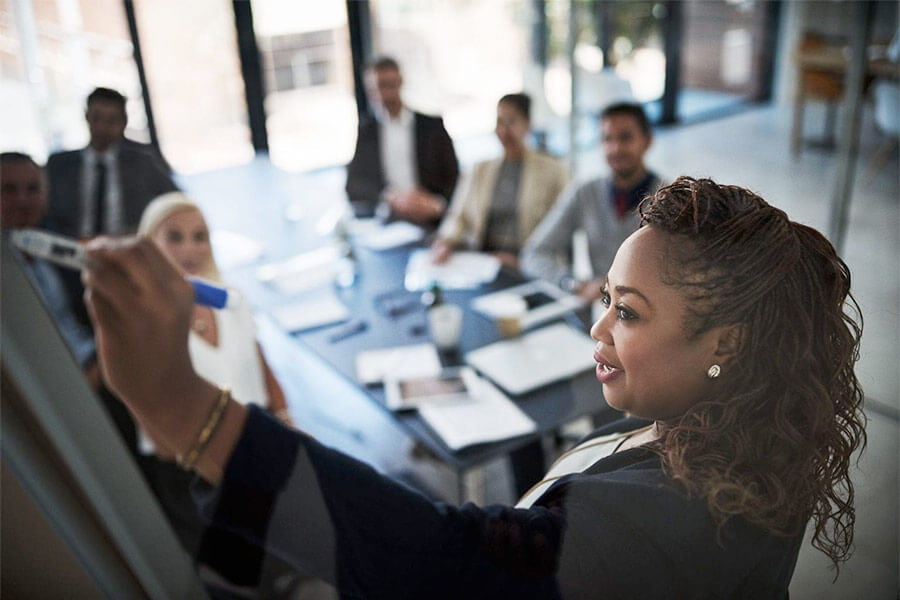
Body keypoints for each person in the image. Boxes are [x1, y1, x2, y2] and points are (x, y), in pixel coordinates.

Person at [83, 177, 865, 597]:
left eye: (627, 312)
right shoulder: (739, 434)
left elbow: (447, 567)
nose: (598, 331)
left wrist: (185, 408)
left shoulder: (684, 522)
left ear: (724, 342)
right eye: (603, 301)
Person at [1, 151, 137, 451]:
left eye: (32, 189)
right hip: (48, 394)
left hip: (99, 369)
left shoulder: (61, 243)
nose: (23, 200)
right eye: (8, 190)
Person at [521, 102, 663, 302]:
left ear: (647, 141)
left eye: (625, 138)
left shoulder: (669, 200)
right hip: (598, 311)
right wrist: (571, 283)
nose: (615, 148)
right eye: (607, 139)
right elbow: (535, 253)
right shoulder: (585, 192)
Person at [431, 93, 568, 270]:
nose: (503, 130)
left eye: (511, 121)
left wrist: (522, 262)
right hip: (484, 260)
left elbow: (560, 230)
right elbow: (459, 215)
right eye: (499, 122)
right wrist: (445, 242)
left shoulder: (553, 170)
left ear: (527, 124)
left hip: (527, 262)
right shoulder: (480, 169)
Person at [44, 87, 177, 239]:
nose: (102, 127)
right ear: (87, 117)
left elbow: (175, 204)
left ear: (123, 122)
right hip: (73, 250)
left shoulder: (144, 162)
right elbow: (47, 216)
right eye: (97, 118)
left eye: (111, 120)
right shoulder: (60, 165)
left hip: (129, 249)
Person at [345, 56, 460, 227]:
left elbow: (455, 178)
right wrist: (391, 198)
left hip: (432, 218)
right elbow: (355, 185)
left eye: (389, 85)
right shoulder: (367, 131)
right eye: (377, 88)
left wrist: (437, 204)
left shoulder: (432, 126)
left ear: (400, 82)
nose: (385, 94)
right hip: (390, 221)